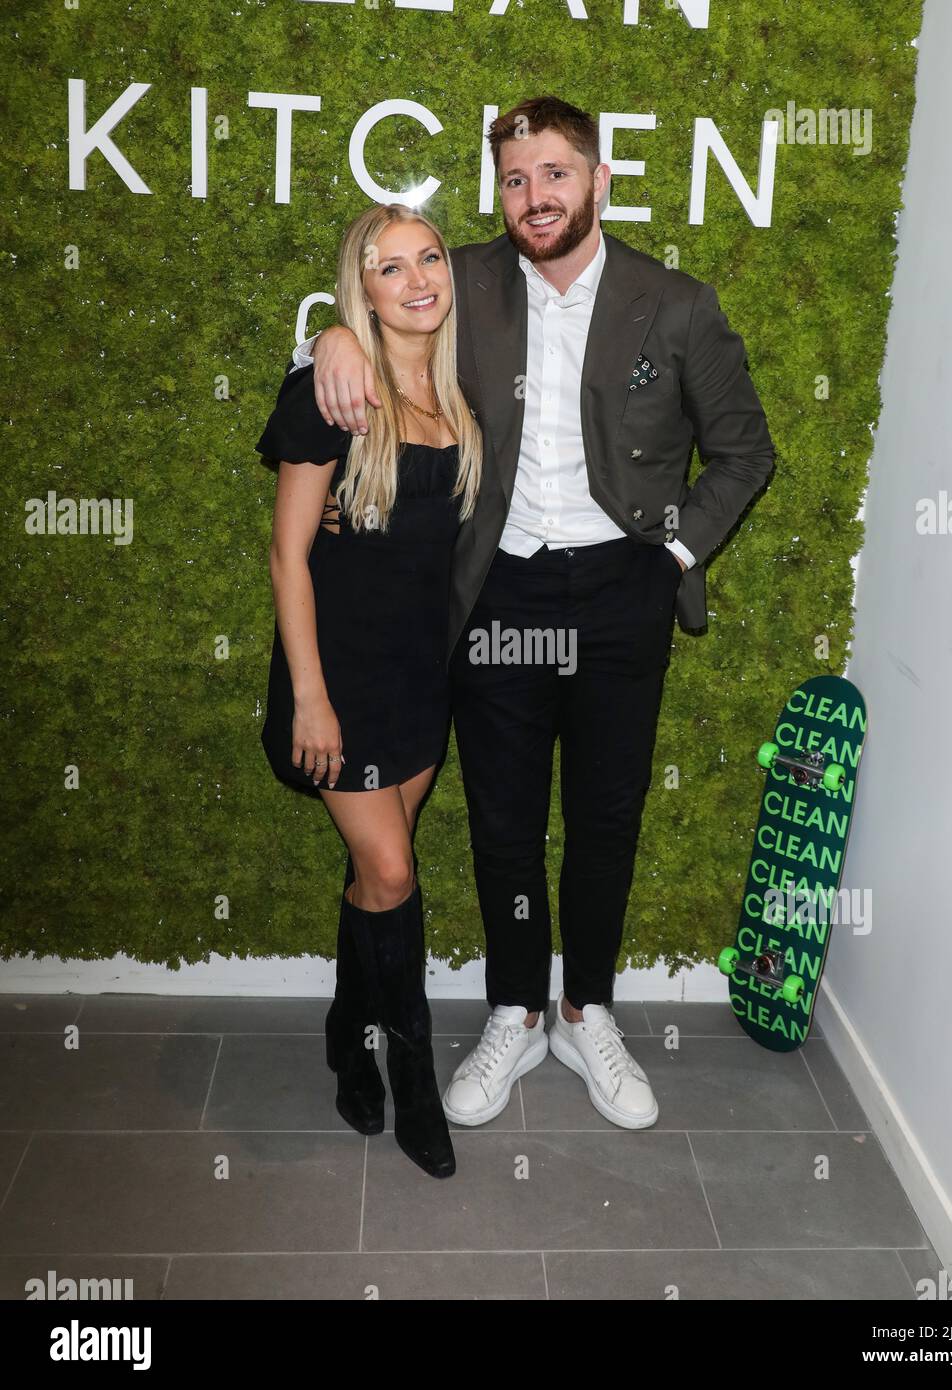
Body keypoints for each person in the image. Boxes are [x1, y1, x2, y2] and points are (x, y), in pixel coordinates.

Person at [292, 95, 777, 1134]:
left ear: (598, 178)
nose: (535, 197)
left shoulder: (677, 304)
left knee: (606, 818)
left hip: (621, 593)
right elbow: (377, 295)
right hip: (497, 592)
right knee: (505, 825)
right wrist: (330, 333)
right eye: (514, 179)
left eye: (555, 174)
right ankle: (513, 1009)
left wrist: (675, 555)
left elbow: (745, 450)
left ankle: (583, 1007)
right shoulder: (463, 282)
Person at [255, 202, 483, 1179]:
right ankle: (414, 1078)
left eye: (428, 257)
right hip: (336, 683)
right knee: (392, 874)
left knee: (372, 879)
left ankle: (348, 1029)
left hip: (420, 684)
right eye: (389, 268)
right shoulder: (334, 393)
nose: (417, 278)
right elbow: (286, 555)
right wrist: (309, 695)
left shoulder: (460, 398)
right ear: (364, 288)